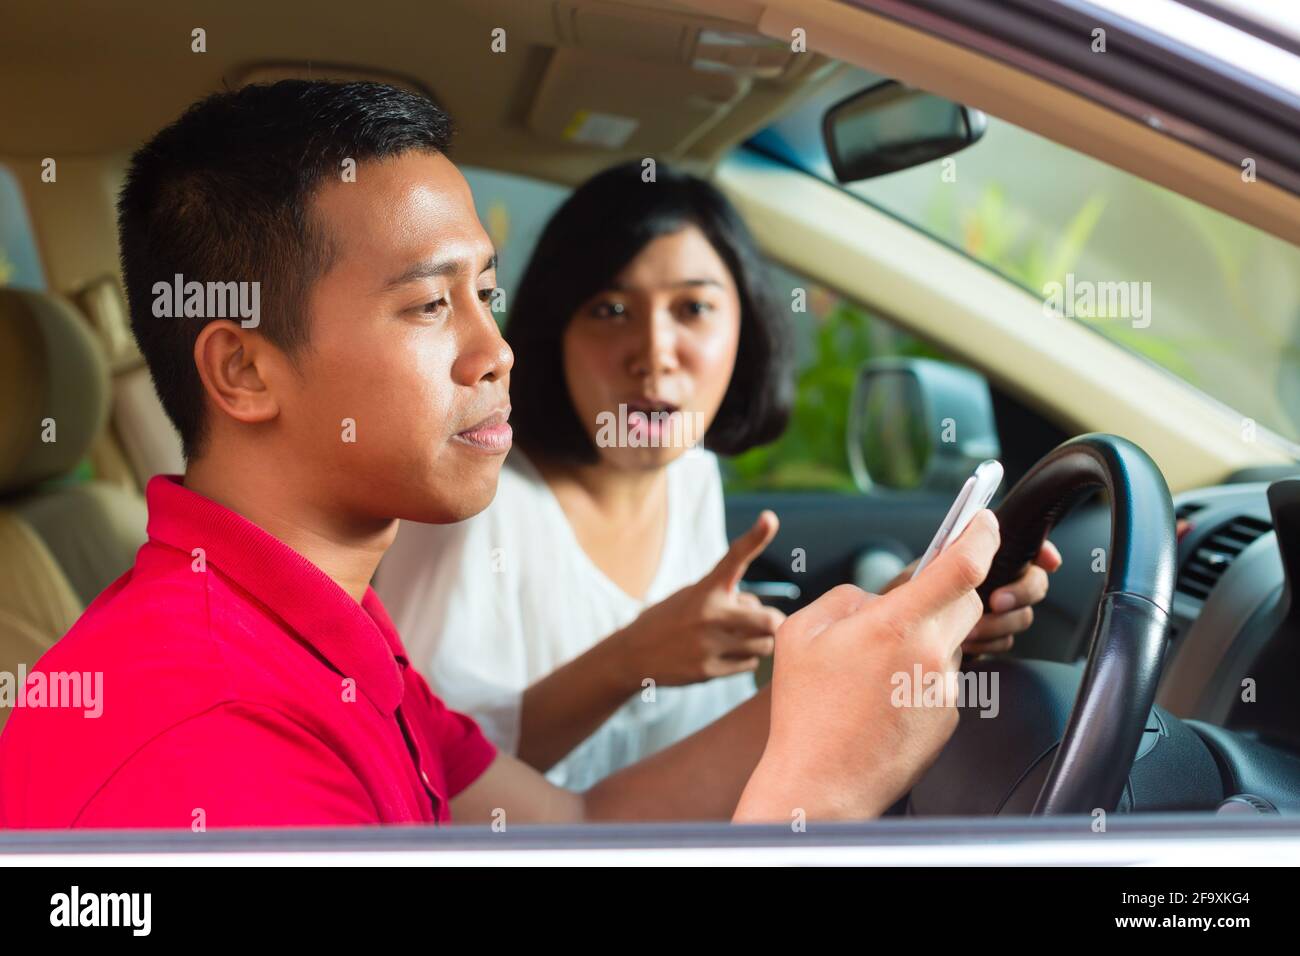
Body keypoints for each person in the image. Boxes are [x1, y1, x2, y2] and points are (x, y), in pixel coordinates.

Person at [0, 79, 1003, 828]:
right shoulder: (216, 735)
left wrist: (868, 661)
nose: (498, 350)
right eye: (431, 304)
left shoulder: (326, 623)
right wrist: (817, 797)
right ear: (246, 373)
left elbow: (582, 824)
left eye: (486, 292)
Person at [378, 162, 1059, 791]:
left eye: (693, 308)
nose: (653, 353)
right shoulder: (474, 506)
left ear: (747, 327)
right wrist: (629, 660)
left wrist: (891, 622)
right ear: (554, 334)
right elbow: (429, 778)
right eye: (611, 311)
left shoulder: (690, 476)